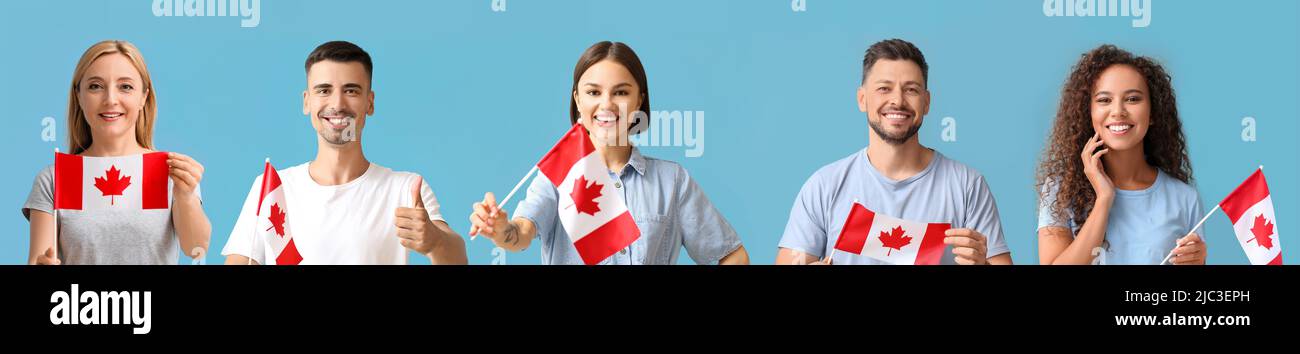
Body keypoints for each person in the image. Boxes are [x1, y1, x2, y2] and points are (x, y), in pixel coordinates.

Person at [469, 41, 748, 265]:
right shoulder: (558, 176)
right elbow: (520, 235)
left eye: (621, 93)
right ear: (577, 99)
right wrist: (499, 230)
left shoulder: (672, 181)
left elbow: (732, 255)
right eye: (593, 92)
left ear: (639, 99)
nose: (607, 104)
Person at [222, 41, 466, 265]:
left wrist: (435, 241)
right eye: (324, 90)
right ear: (307, 102)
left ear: (370, 103)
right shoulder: (273, 188)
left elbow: (457, 258)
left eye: (351, 91)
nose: (337, 104)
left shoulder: (406, 189)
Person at [777, 39, 1012, 265]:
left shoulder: (967, 185)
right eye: (884, 88)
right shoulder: (824, 186)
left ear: (926, 102)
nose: (897, 100)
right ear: (862, 99)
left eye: (911, 90)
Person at [24, 40, 211, 265]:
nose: (110, 99)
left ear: (143, 97)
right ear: (79, 96)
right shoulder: (54, 179)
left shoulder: (173, 173)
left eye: (125, 87)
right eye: (95, 86)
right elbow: (37, 259)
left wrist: (186, 195)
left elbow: (195, 249)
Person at [1036, 44, 1206, 265]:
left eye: (1133, 99)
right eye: (1104, 100)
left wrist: (1199, 261)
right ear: (1088, 112)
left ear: (1153, 112)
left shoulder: (1185, 198)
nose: (1118, 111)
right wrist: (1104, 200)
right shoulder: (1060, 191)